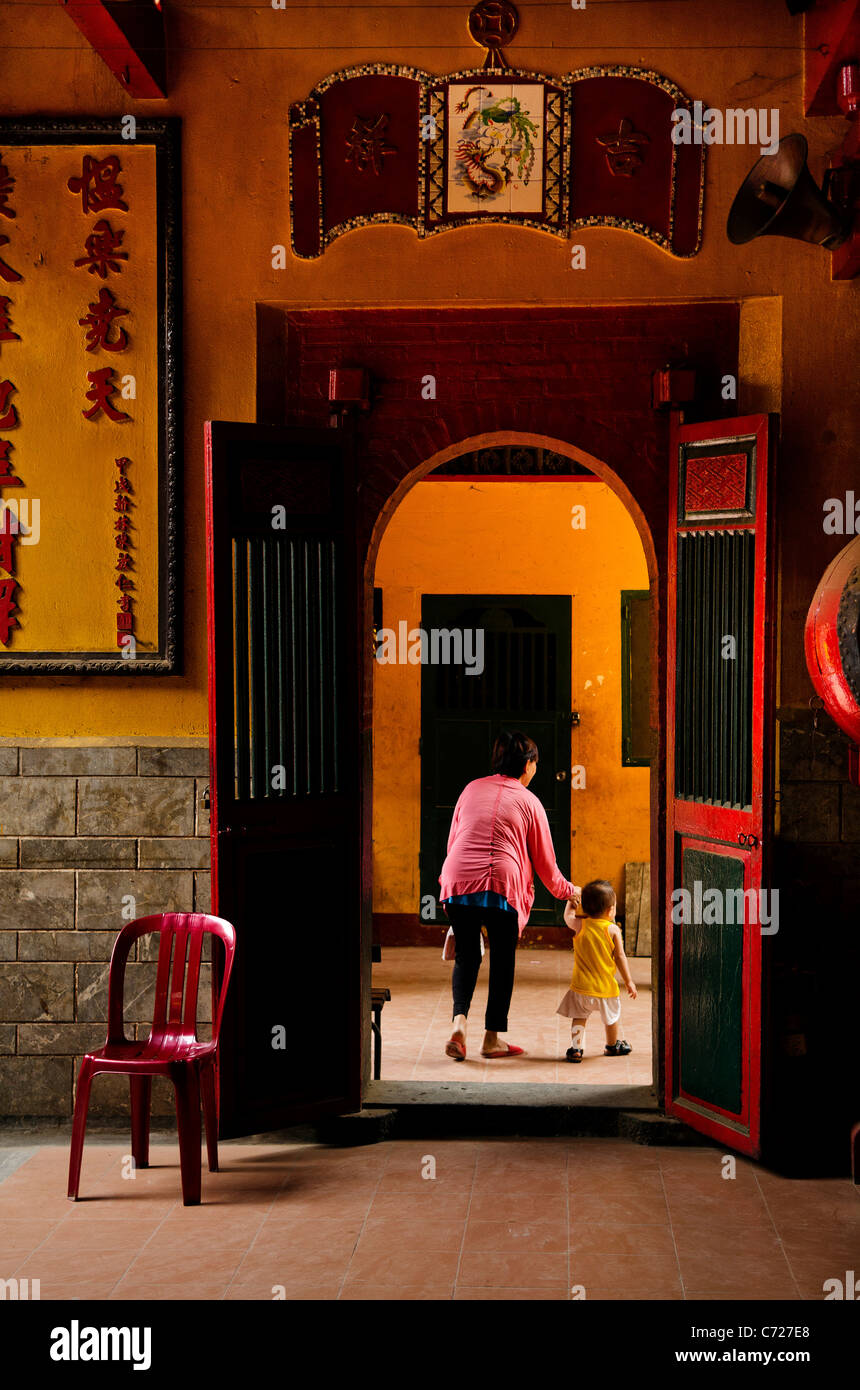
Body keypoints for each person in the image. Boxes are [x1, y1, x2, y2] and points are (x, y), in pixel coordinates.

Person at [439, 729, 580, 1061]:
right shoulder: (530, 802)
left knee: (467, 956)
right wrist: (571, 892)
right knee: (503, 961)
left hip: (458, 880)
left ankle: (459, 1026)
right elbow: (546, 866)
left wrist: (455, 880)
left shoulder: (471, 789)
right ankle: (491, 1039)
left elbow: (452, 843)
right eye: (535, 764)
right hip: (502, 885)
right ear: (528, 765)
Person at [558, 878, 636, 1062]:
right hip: (604, 989)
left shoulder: (580, 925)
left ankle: (576, 1049)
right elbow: (620, 957)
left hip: (580, 988)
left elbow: (567, 917)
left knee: (579, 1017)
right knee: (611, 1018)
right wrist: (628, 981)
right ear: (610, 911)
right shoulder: (613, 930)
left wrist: (571, 901)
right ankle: (611, 1045)